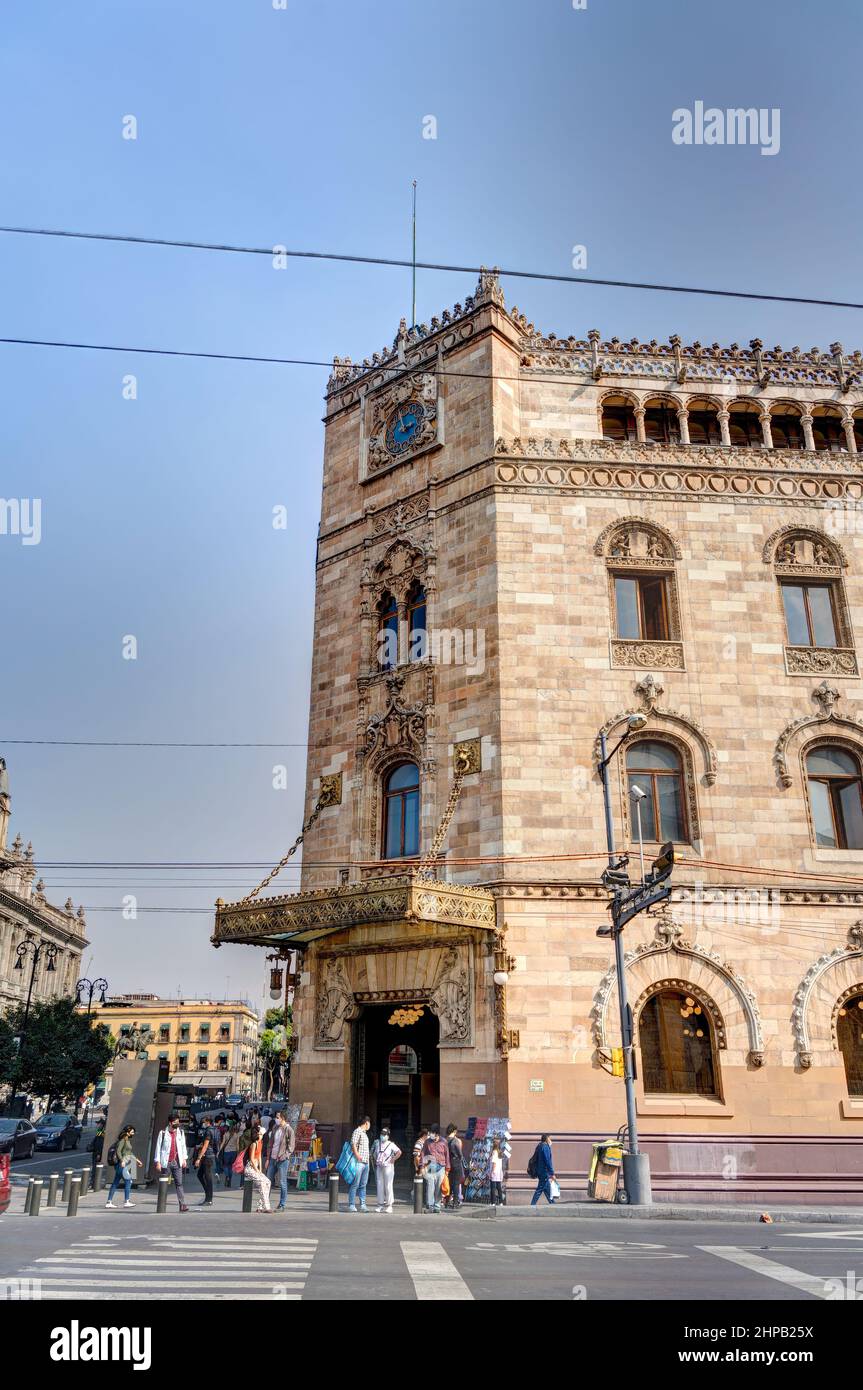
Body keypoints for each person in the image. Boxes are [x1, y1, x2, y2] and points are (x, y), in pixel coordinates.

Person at [154, 1112, 190, 1212]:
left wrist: (184, 1159)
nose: (177, 1123)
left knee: (179, 1183)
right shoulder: (163, 1133)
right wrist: (157, 1162)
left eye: (178, 1122)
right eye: (175, 1122)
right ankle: (162, 1204)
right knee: (164, 1183)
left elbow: (183, 1146)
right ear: (170, 1123)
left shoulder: (181, 1132)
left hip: (177, 1161)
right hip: (166, 1162)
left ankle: (182, 1204)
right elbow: (158, 1147)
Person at [266, 1110, 295, 1212]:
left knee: (282, 1182)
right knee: (267, 1181)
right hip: (273, 1158)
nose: (276, 1119)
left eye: (278, 1117)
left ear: (283, 1118)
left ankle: (282, 1204)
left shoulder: (289, 1130)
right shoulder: (274, 1128)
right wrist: (268, 1158)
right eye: (276, 1117)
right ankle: (265, 1202)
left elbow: (291, 1147)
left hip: (282, 1160)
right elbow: (270, 1144)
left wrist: (284, 1156)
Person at [105, 1125, 139, 1208]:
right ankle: (126, 1201)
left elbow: (129, 1153)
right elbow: (118, 1151)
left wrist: (137, 1161)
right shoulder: (123, 1141)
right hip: (121, 1165)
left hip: (123, 1164)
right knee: (128, 1181)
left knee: (115, 1183)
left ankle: (109, 1202)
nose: (133, 1133)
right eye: (132, 1132)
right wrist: (122, 1161)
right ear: (127, 1132)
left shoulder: (127, 1141)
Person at [420, 1123, 451, 1213]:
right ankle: (430, 1205)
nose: (431, 1134)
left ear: (437, 1134)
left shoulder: (444, 1142)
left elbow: (447, 1155)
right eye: (431, 1132)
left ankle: (437, 1206)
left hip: (441, 1167)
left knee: (438, 1187)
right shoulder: (427, 1142)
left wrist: (447, 1169)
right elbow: (422, 1154)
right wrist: (421, 1166)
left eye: (433, 1133)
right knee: (430, 1186)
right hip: (431, 1166)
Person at [371, 1127, 402, 1213]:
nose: (382, 1136)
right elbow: (374, 1153)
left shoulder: (391, 1144)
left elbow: (399, 1152)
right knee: (380, 1185)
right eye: (382, 1134)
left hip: (388, 1166)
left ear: (388, 1136)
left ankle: (389, 1205)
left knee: (388, 1185)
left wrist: (393, 1159)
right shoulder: (378, 1143)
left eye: (384, 1135)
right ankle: (380, 1204)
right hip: (379, 1166)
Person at [243, 1122, 272, 1212]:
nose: (262, 1136)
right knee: (263, 1182)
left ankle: (260, 1206)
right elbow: (251, 1159)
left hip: (255, 1168)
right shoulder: (254, 1144)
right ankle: (266, 1207)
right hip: (250, 1168)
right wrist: (256, 1170)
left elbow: (259, 1156)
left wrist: (260, 1169)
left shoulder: (260, 1143)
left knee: (268, 1182)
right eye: (261, 1134)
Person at [348, 1116, 371, 1212]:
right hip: (359, 1162)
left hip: (366, 1162)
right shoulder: (357, 1131)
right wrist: (357, 1155)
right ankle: (352, 1204)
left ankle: (363, 1204)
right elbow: (353, 1143)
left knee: (363, 1184)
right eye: (369, 1123)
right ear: (366, 1123)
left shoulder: (365, 1134)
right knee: (355, 1184)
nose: (369, 1125)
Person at [195, 1115, 217, 1207]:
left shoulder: (208, 1131)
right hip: (210, 1154)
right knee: (200, 1175)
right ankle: (208, 1195)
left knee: (207, 1177)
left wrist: (198, 1158)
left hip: (207, 1155)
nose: (203, 1123)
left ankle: (209, 1198)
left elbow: (206, 1145)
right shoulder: (214, 1129)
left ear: (208, 1121)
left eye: (204, 1122)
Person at [530, 1133, 556, 1206]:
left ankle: (553, 1203)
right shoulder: (545, 1147)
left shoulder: (540, 1146)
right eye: (550, 1138)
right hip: (544, 1172)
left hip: (540, 1170)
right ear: (546, 1139)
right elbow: (547, 1161)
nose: (551, 1140)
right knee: (540, 1189)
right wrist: (552, 1173)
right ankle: (532, 1205)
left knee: (546, 1188)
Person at [445, 1124, 465, 1208]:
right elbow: (460, 1154)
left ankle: (447, 1202)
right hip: (456, 1163)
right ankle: (455, 1203)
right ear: (454, 1131)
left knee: (448, 1183)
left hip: (447, 1164)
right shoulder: (456, 1141)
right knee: (456, 1184)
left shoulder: (444, 1140)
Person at [489, 1138, 504, 1207]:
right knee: (499, 1188)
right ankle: (501, 1202)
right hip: (499, 1172)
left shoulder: (494, 1152)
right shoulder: (500, 1152)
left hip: (494, 1172)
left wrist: (492, 1172)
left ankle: (493, 1202)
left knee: (493, 1187)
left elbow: (494, 1163)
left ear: (494, 1144)